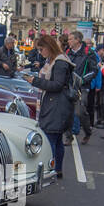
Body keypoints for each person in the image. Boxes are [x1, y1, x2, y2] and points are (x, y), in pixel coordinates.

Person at [27, 33, 75, 182]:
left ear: (48, 47)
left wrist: (35, 81)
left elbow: (57, 85)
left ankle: (51, 170)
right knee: (56, 139)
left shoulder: (59, 62)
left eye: (41, 49)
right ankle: (57, 169)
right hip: (58, 105)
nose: (40, 53)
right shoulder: (57, 60)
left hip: (56, 106)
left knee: (50, 140)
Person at [66, 31, 97, 145]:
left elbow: (94, 70)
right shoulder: (68, 52)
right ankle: (69, 137)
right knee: (66, 112)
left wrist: (83, 80)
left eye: (70, 39)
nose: (68, 41)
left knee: (79, 112)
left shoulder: (88, 53)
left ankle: (87, 131)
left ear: (77, 40)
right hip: (68, 86)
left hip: (82, 87)